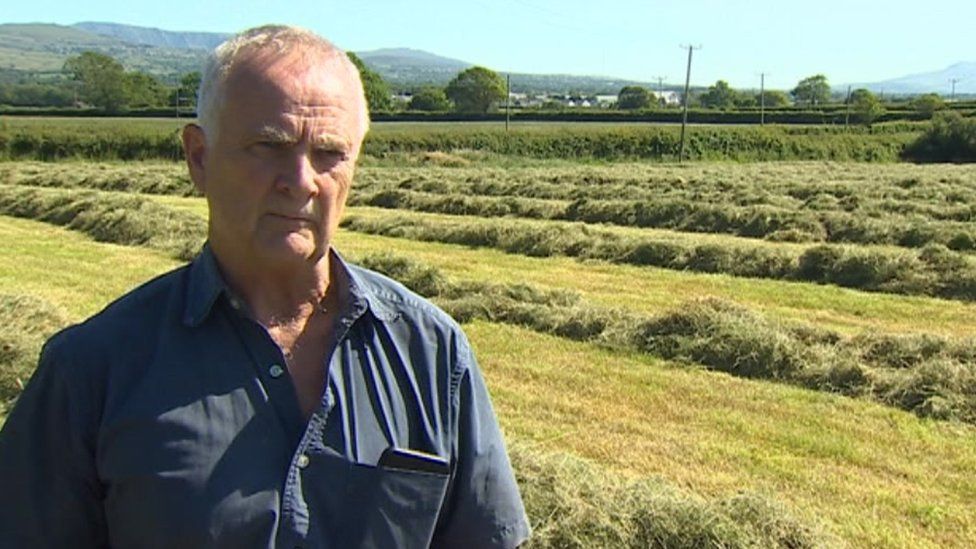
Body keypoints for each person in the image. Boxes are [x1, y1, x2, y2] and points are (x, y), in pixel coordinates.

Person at [0, 25, 529, 548]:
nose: (301, 181)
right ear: (198, 157)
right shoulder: (92, 371)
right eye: (269, 145)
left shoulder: (431, 353)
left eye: (329, 153)